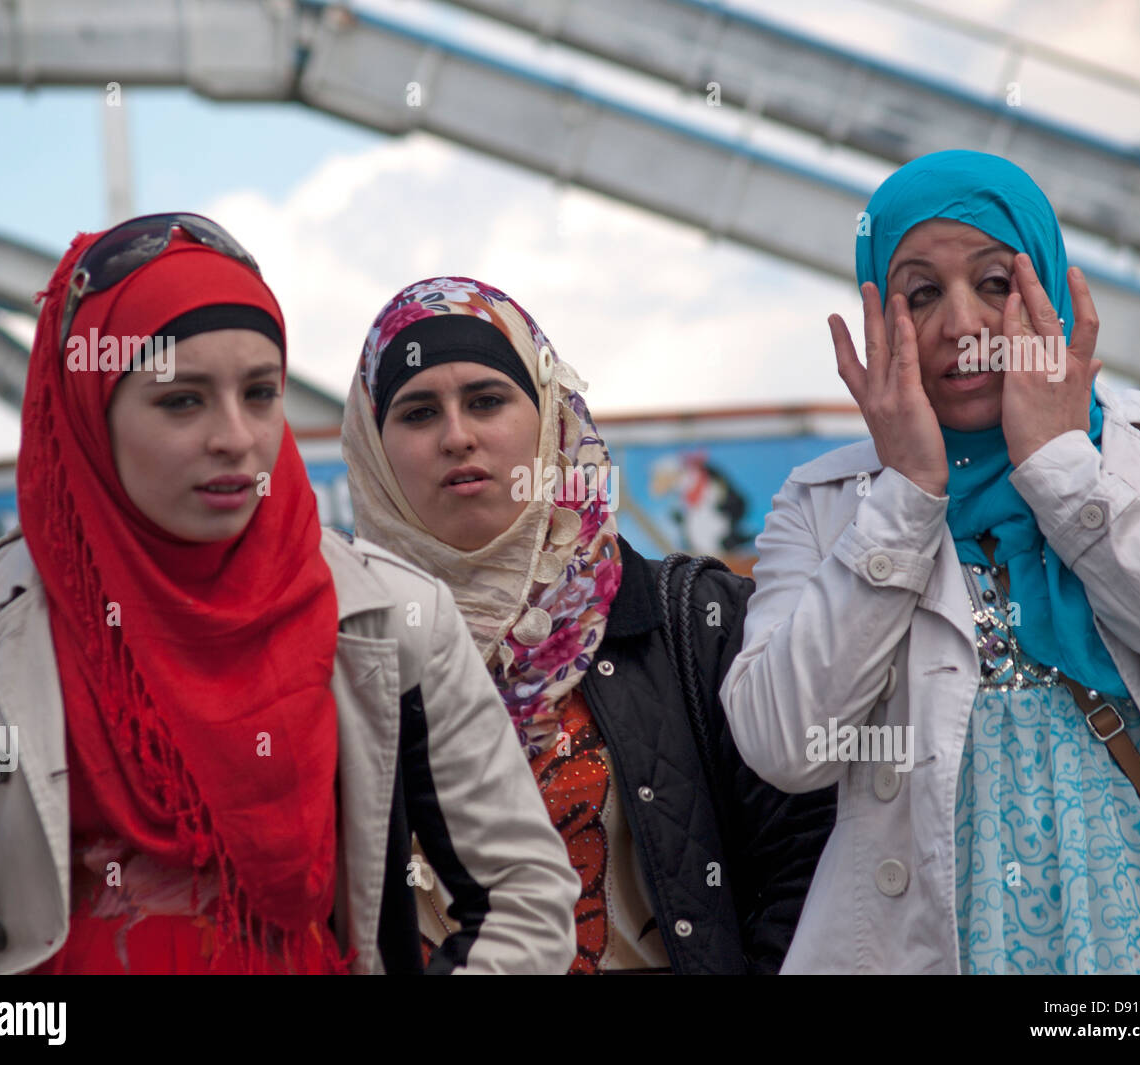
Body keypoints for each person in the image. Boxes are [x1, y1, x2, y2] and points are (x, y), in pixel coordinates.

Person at [0, 215, 578, 975]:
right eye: (182, 401)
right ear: (90, 411)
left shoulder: (390, 616)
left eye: (260, 393)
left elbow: (524, 891)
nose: (234, 435)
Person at [720, 150, 1140, 974]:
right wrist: (908, 495)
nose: (962, 325)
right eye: (919, 294)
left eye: (995, 283)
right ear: (884, 323)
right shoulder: (830, 503)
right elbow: (785, 743)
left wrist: (1062, 470)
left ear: (1051, 287)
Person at [340, 276, 835, 974]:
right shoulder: (336, 649)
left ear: (548, 419)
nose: (458, 436)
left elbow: (806, 858)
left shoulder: (693, 623)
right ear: (373, 448)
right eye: (419, 413)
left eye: (486, 400)